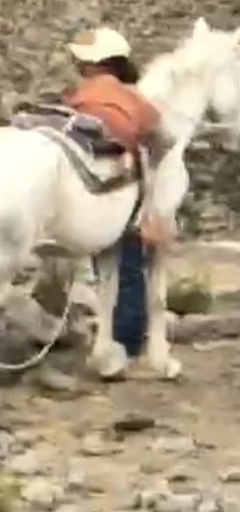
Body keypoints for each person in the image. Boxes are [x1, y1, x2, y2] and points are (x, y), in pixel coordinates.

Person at [64, 26, 168, 353]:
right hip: (120, 193)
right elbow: (163, 137)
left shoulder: (78, 97)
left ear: (96, 64)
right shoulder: (132, 99)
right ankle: (126, 340)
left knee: (101, 267)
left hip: (84, 190)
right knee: (129, 266)